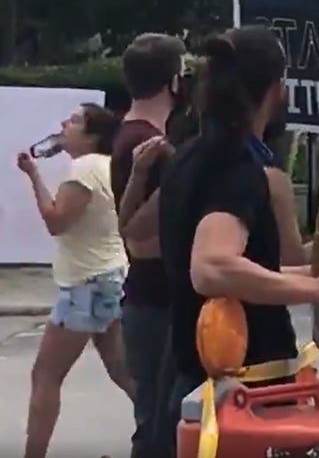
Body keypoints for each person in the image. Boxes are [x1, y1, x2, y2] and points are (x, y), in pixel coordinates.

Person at [154, 27, 319, 446]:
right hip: (242, 396)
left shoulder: (190, 157)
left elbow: (240, 262)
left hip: (197, 382)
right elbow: (212, 267)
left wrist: (318, 272)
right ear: (277, 90)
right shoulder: (237, 168)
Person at [19, 103, 136, 458]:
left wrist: (33, 176)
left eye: (73, 121)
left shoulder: (83, 169)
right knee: (123, 370)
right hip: (111, 274)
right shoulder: (107, 166)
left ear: (91, 135)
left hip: (86, 283)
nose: (63, 125)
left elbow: (57, 221)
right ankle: (165, 433)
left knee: (46, 374)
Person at [109, 32, 187, 458]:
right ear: (173, 81)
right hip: (157, 298)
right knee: (160, 425)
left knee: (157, 418)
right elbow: (140, 238)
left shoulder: (133, 132)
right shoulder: (150, 145)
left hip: (148, 296)